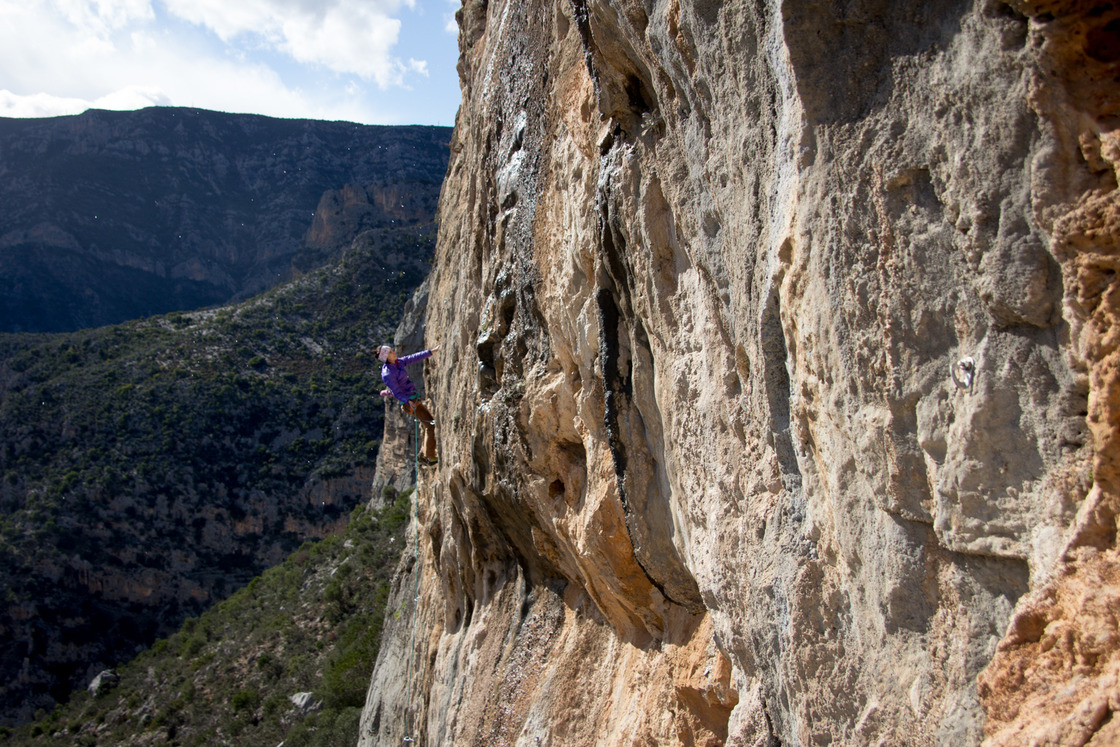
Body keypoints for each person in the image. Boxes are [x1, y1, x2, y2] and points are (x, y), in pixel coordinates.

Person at [379, 344, 439, 465]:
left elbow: (412, 358)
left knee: (429, 424)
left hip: (414, 400)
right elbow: (397, 392)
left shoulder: (398, 363)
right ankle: (430, 457)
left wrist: (430, 352)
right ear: (386, 357)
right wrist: (408, 401)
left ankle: (426, 454)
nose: (394, 352)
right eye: (391, 352)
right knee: (430, 425)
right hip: (410, 404)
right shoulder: (388, 374)